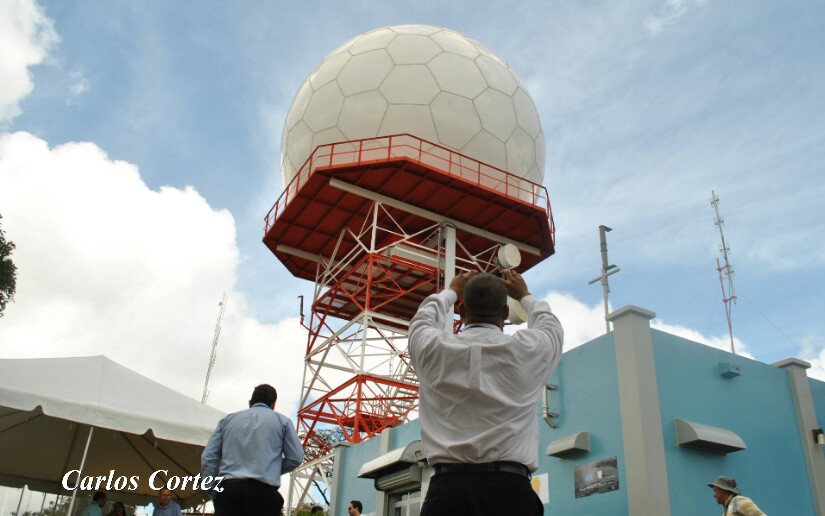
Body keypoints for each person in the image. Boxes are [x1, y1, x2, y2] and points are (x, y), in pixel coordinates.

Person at [409, 270, 563, 516]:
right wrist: (524, 295)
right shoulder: (529, 350)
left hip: (447, 494)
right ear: (505, 313)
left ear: (461, 310)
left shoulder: (432, 348)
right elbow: (550, 325)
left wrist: (450, 292)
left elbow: (422, 320)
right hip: (511, 494)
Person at [201, 384, 303, 516]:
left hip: (229, 491)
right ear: (273, 405)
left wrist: (213, 490)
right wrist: (271, 469)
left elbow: (208, 458)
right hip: (263, 493)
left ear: (250, 402)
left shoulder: (227, 421)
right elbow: (296, 458)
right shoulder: (283, 421)